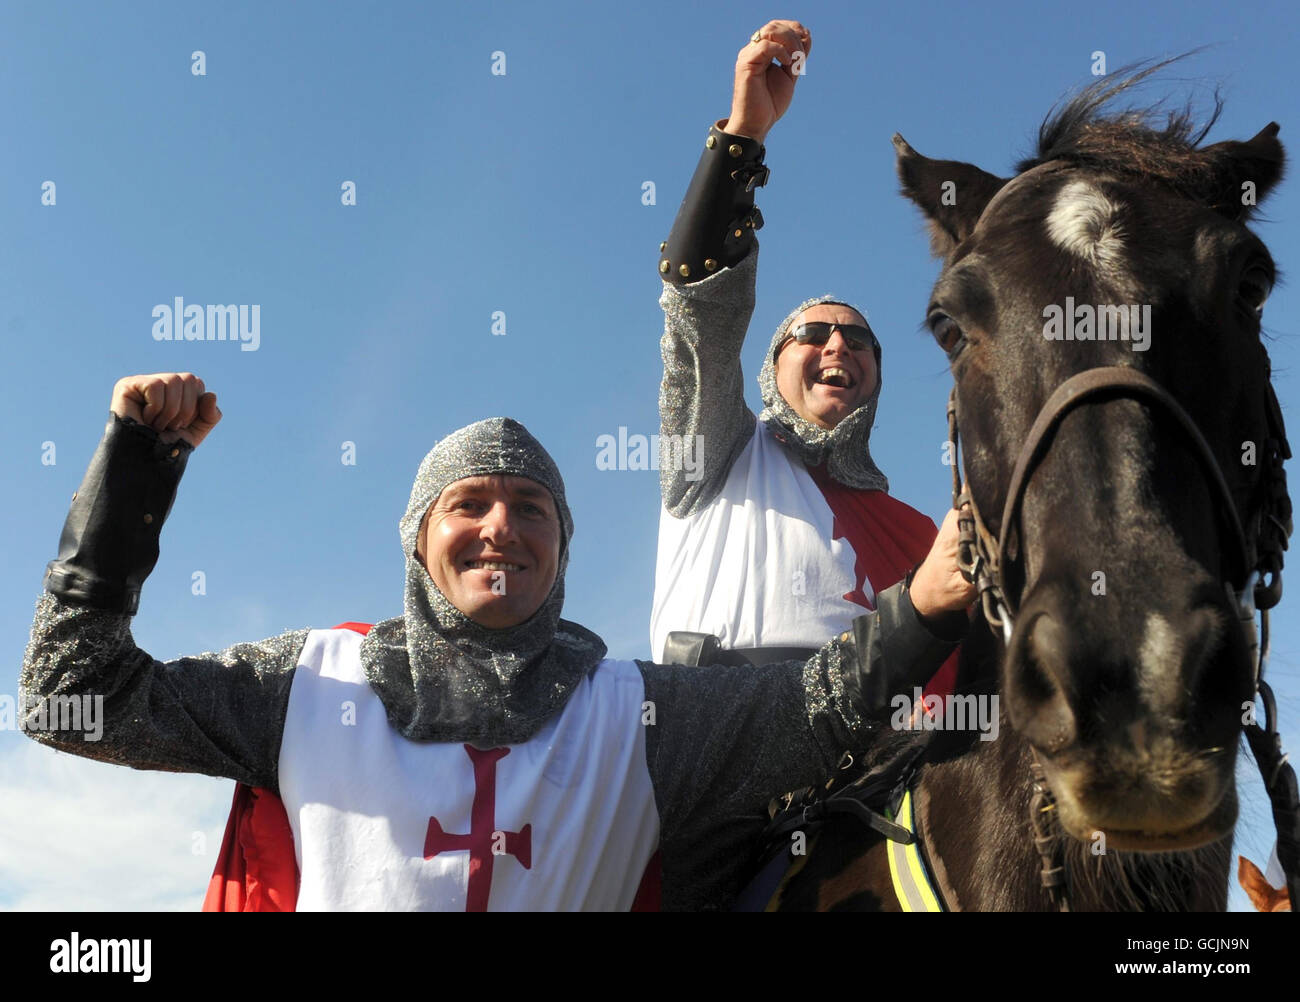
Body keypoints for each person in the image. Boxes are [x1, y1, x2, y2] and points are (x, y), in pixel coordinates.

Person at [20, 372, 963, 911]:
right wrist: (135, 471)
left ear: (562, 550)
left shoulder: (640, 714)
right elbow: (74, 696)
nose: (500, 528)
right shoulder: (307, 684)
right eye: (467, 504)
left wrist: (923, 599)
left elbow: (818, 706)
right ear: (418, 540)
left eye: (531, 510)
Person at [652, 21, 973, 904]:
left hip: (895, 769)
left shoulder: (926, 530)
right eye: (815, 333)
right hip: (724, 767)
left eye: (860, 339)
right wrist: (742, 138)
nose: (839, 346)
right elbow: (698, 318)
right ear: (771, 363)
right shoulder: (713, 452)